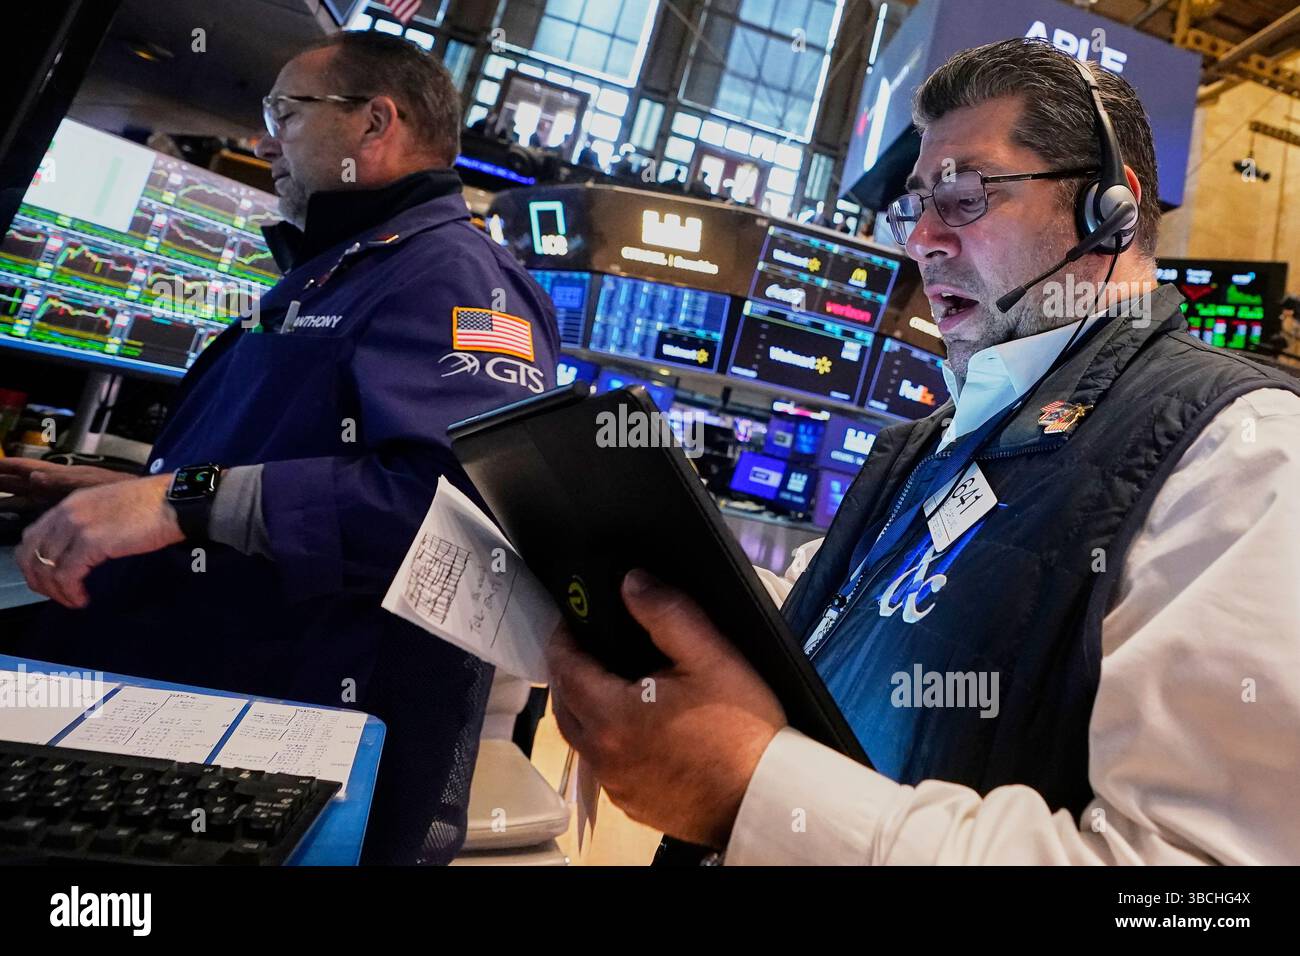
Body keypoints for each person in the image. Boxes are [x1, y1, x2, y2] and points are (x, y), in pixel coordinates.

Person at [545, 38, 1300, 864]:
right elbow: (853, 629)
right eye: (916, 206)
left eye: (967, 197)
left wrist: (752, 789)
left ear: (1109, 212)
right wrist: (651, 603)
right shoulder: (926, 446)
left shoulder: (1240, 453)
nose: (924, 240)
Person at [0, 31, 560, 864]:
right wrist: (107, 489)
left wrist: (175, 502)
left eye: (285, 114)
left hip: (298, 752)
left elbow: (462, 511)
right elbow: (277, 457)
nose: (264, 141)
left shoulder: (456, 277)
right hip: (196, 695)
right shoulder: (341, 269)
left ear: (376, 123)